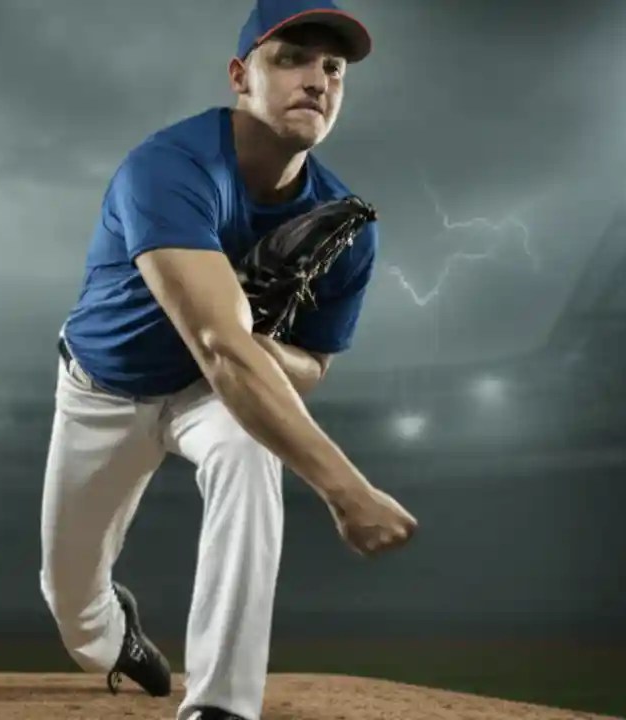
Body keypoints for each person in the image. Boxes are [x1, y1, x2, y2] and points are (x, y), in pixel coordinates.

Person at [38, 1, 418, 718]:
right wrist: (348, 491)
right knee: (69, 599)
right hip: (104, 391)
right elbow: (219, 345)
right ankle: (111, 636)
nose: (317, 78)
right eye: (291, 58)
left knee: (252, 449)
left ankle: (220, 705)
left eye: (333, 68)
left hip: (210, 398)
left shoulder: (346, 226)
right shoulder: (169, 167)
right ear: (241, 76)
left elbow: (311, 366)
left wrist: (265, 345)